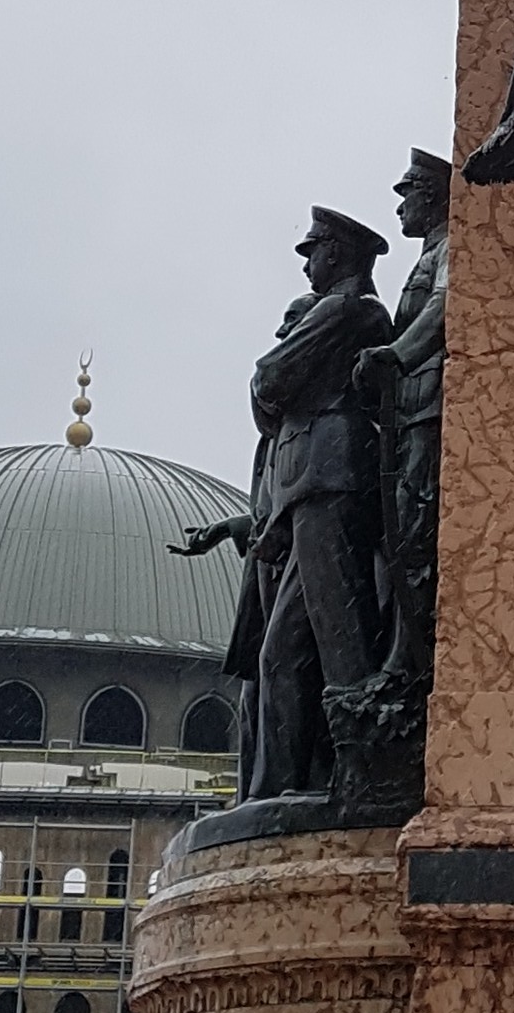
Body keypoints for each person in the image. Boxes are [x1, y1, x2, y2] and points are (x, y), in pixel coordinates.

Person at [176, 207, 393, 801]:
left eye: (314, 250)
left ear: (339, 254)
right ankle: (274, 791)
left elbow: (270, 379)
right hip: (313, 482)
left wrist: (274, 393)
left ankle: (359, 773)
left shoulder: (350, 309)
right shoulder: (341, 310)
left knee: (338, 637)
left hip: (330, 476)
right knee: (281, 654)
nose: (308, 263)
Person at [352, 148, 450, 710]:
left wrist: (395, 355)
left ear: (434, 194)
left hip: (428, 407)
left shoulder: (450, 248)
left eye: (407, 189)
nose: (399, 200)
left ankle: (408, 660)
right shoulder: (428, 253)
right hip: (407, 410)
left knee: (413, 536)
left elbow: (442, 309)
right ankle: (400, 654)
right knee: (398, 540)